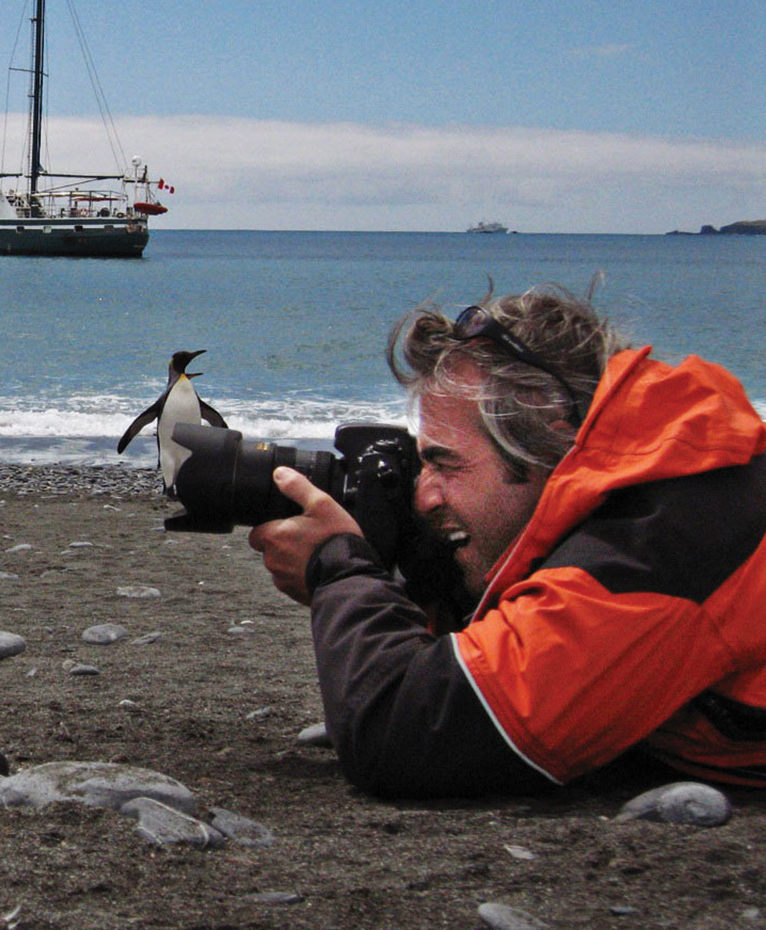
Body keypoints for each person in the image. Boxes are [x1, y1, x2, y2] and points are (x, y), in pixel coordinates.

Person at [248, 284, 766, 797]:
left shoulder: (656, 544)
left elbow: (407, 738)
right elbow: (501, 654)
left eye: (446, 464)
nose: (424, 496)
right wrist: (413, 573)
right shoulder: (667, 481)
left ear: (548, 440)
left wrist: (339, 569)